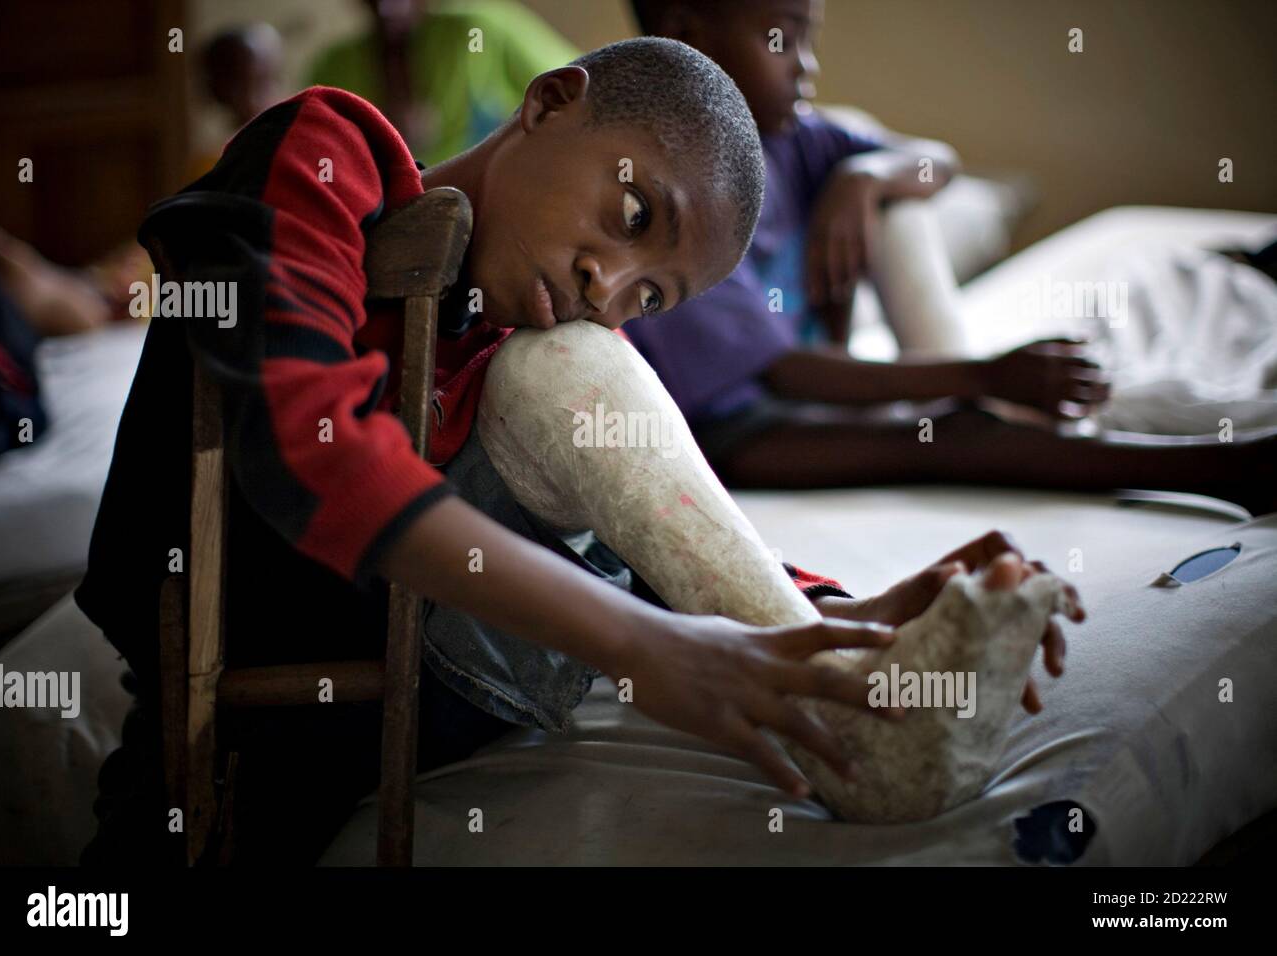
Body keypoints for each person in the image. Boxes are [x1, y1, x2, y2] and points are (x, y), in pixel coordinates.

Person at [76, 37, 1075, 866]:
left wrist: (832, 610)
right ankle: (845, 714)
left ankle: (838, 672)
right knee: (561, 373)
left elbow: (642, 533)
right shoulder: (336, 149)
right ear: (550, 102)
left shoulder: (529, 341)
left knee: (572, 382)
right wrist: (647, 649)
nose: (612, 285)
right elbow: (303, 439)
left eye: (651, 296)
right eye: (633, 215)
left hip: (434, 671)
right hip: (266, 643)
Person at [625, 0, 1276, 515]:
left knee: (904, 219)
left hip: (822, 386)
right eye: (785, 37)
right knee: (957, 435)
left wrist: (868, 179)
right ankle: (1221, 471)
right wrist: (976, 373)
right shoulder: (668, 200)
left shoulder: (798, 141)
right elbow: (785, 375)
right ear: (687, 32)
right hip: (734, 433)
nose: (807, 65)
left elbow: (939, 159)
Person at [309, 0, 580, 164]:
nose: (385, 7)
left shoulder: (478, 30)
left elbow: (580, 88)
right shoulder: (334, 65)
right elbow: (317, 150)